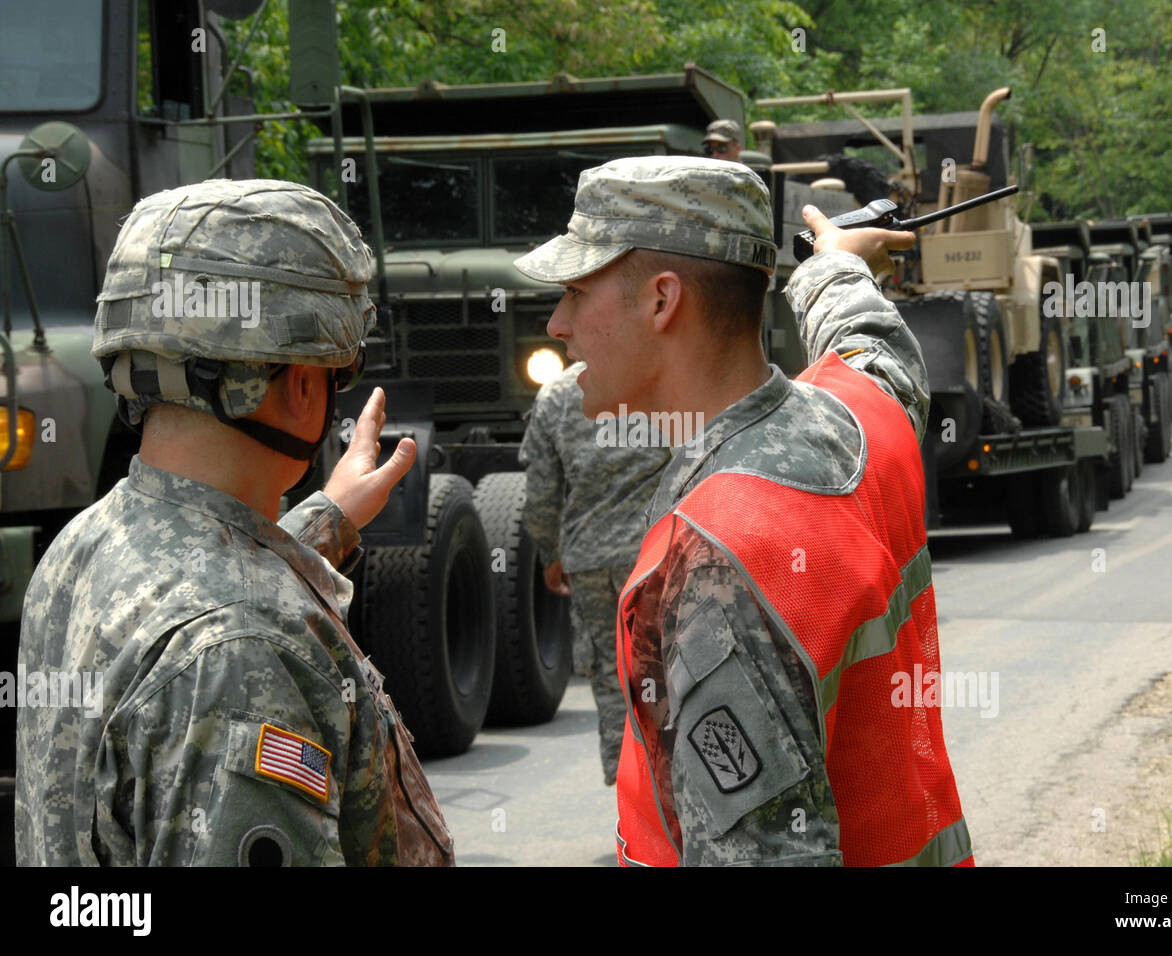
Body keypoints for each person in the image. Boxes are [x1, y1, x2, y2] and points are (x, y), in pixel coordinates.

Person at [513, 156, 972, 867]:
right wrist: (835, 267)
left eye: (576, 291)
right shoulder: (859, 423)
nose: (558, 322)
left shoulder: (718, 557)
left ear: (662, 301)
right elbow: (877, 354)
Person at [16, 179, 454, 866]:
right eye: (336, 374)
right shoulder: (245, 649)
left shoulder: (84, 547)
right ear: (304, 385)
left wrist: (328, 519)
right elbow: (223, 617)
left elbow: (193, 577)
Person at [519, 363, 671, 785]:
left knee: (610, 671)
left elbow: (542, 490)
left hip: (588, 560)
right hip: (653, 550)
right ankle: (669, 790)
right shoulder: (651, 374)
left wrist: (550, 553)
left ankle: (626, 785)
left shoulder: (555, 395)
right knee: (663, 667)